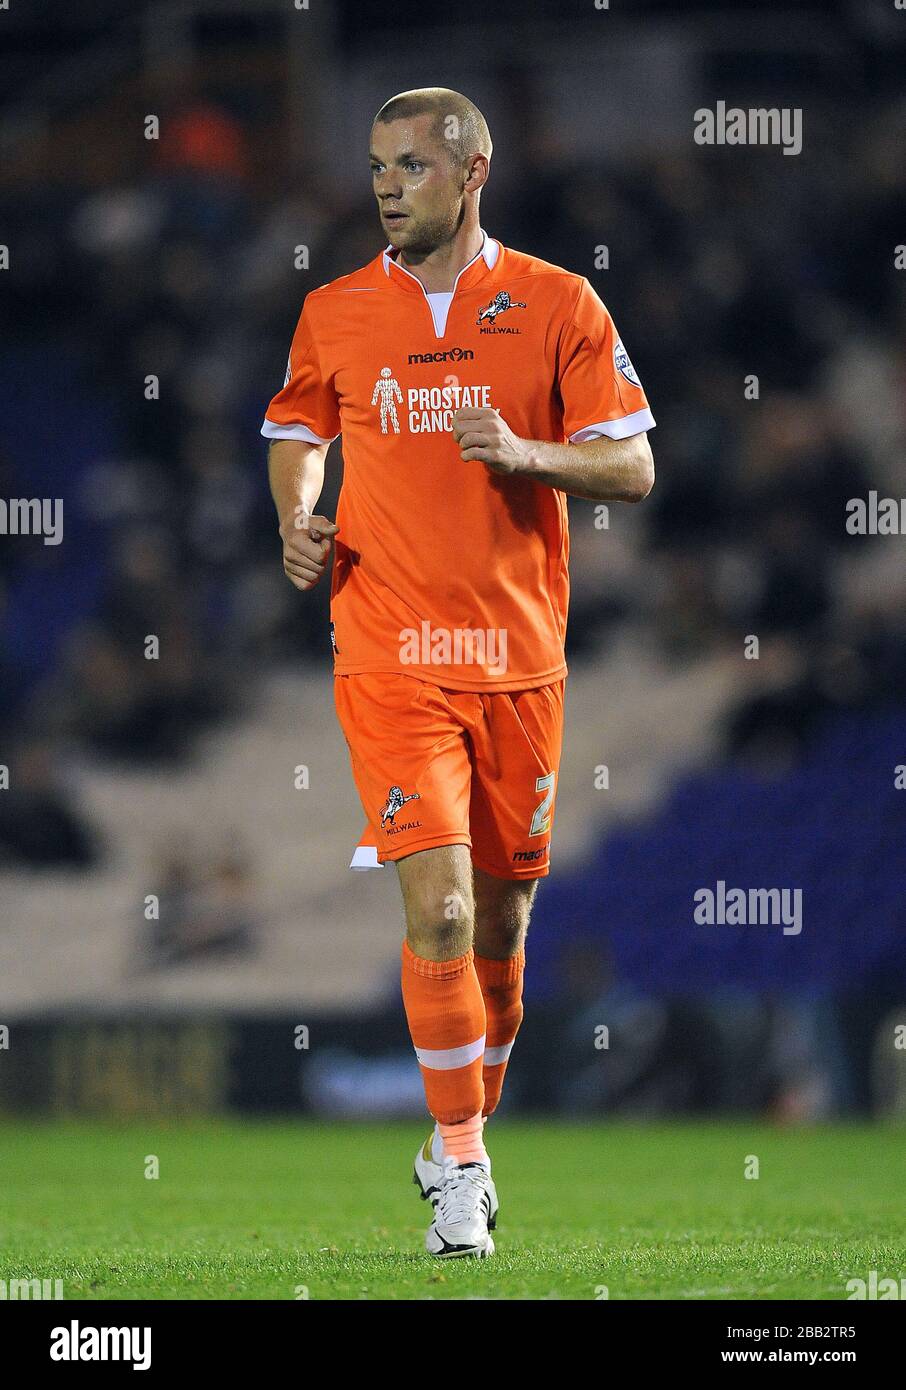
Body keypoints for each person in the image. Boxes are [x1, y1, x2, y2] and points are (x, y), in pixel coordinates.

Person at [262, 87, 655, 1258]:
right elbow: (296, 428)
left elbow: (631, 464)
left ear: (474, 171)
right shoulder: (334, 310)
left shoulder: (557, 303)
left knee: (502, 921)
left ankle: (456, 1131)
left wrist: (527, 452)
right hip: (389, 653)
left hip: (517, 660)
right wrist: (297, 512)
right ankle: (466, 1182)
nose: (387, 184)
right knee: (434, 904)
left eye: (413, 165)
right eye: (378, 165)